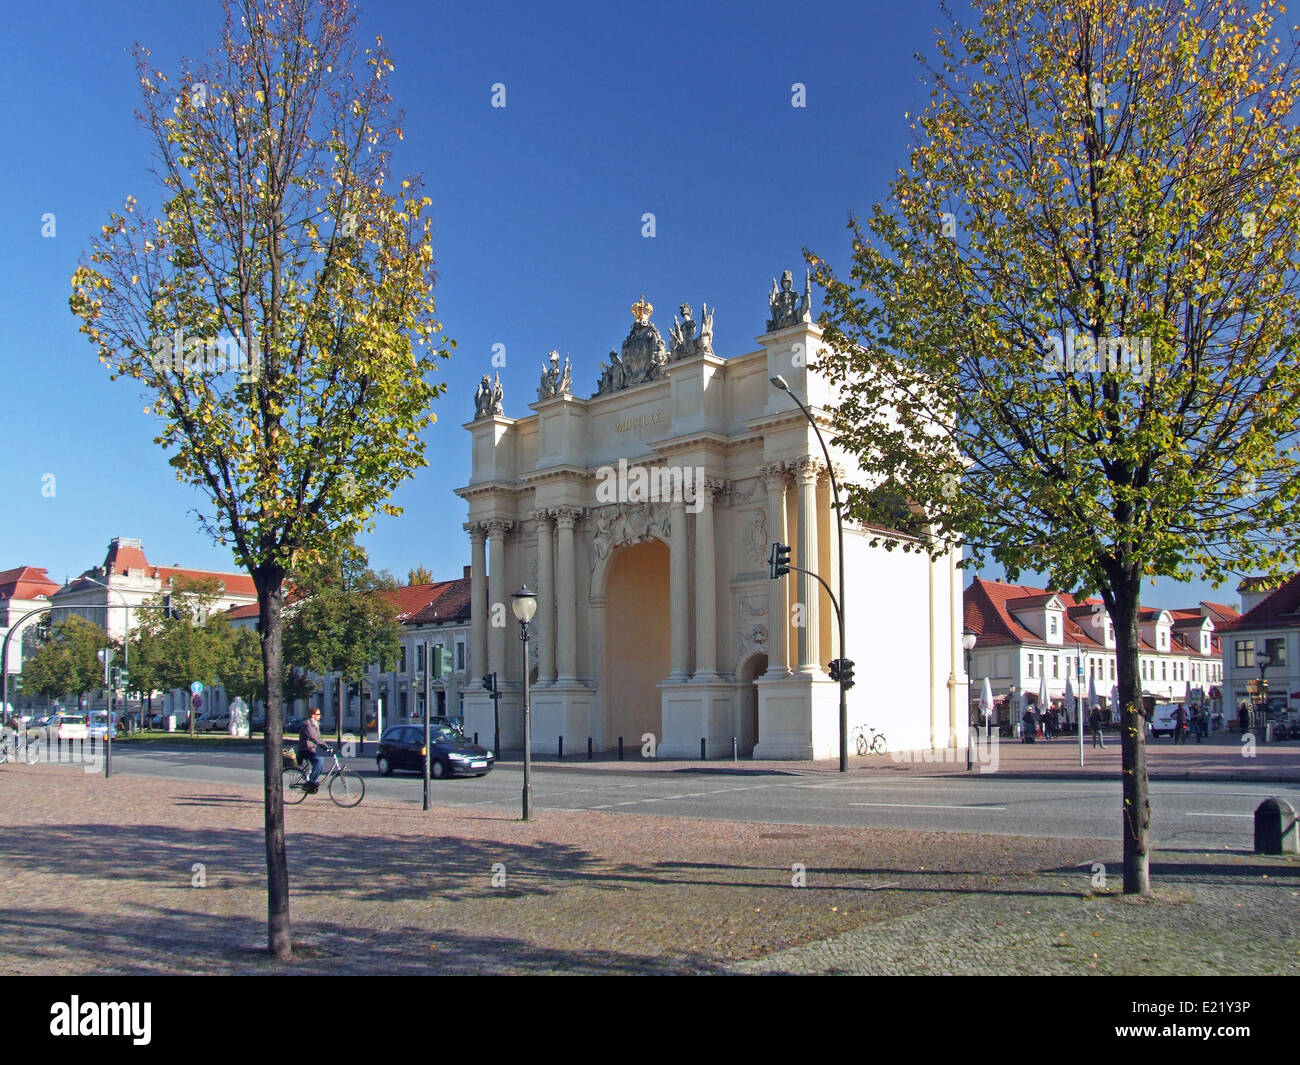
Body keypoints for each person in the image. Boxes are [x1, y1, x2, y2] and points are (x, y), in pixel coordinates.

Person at [297, 707, 329, 792]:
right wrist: (325, 747)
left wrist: (327, 747)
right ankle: (310, 783)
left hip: (310, 750)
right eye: (318, 714)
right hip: (305, 749)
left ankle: (311, 784)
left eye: (320, 714)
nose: (320, 716)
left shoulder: (315, 724)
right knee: (319, 760)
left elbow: (319, 738)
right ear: (312, 715)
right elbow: (314, 737)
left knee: (319, 766)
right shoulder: (307, 724)